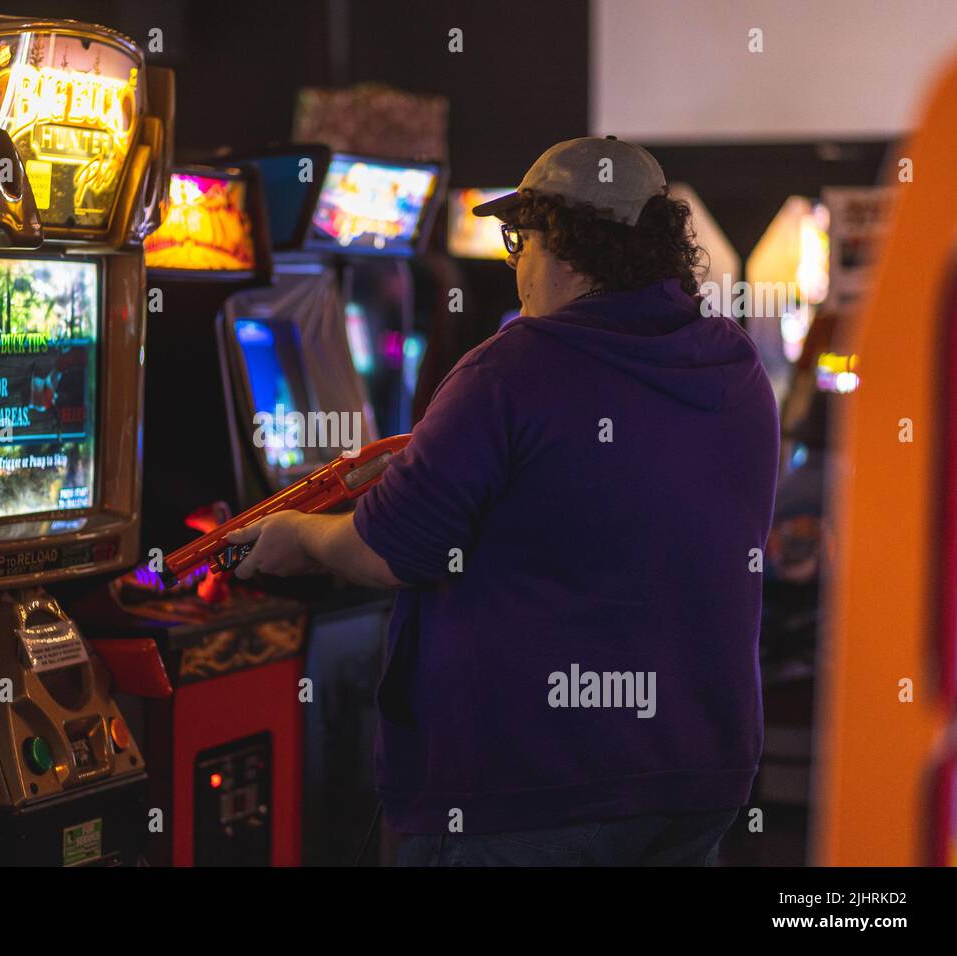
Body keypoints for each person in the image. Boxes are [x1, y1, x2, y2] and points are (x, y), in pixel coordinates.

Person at [228, 137, 780, 866]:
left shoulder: (511, 367)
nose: (515, 263)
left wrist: (297, 532)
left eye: (520, 240)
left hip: (529, 790)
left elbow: (388, 551)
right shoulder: (733, 363)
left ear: (564, 243)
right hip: (698, 775)